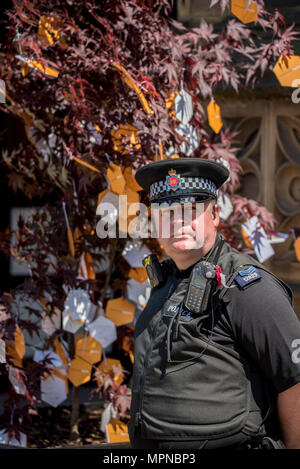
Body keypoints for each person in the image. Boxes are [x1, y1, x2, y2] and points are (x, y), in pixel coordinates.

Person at [128, 158, 300, 450]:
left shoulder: (246, 286)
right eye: (167, 212)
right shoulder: (165, 282)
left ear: (215, 214)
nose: (178, 222)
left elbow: (294, 381)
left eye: (190, 210)